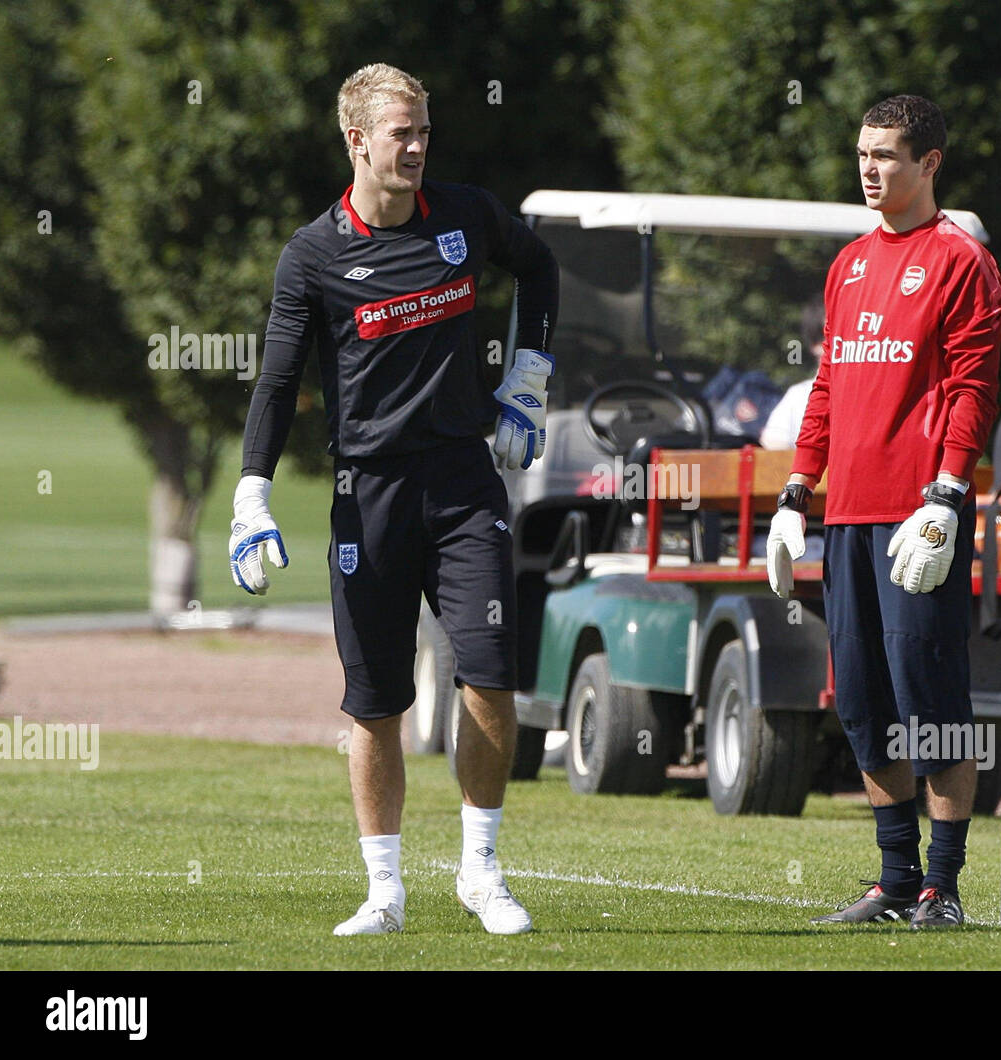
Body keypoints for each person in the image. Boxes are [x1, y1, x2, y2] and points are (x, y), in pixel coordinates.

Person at [229, 63, 558, 936]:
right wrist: (251, 493)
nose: (414, 148)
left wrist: (528, 377)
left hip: (462, 486)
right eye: (399, 133)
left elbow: (541, 267)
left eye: (422, 131)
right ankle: (384, 890)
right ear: (357, 141)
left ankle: (481, 874)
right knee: (374, 701)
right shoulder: (313, 255)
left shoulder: (468, 215)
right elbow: (278, 378)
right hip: (367, 494)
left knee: (490, 674)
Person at [766, 95, 1001, 928]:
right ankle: (895, 880)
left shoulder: (961, 262)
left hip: (919, 519)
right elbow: (828, 387)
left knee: (931, 702)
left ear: (930, 162)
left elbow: (975, 388)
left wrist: (947, 492)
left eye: (888, 156)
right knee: (864, 701)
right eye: (863, 153)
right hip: (848, 517)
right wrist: (799, 487)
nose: (870, 169)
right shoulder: (849, 265)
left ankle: (944, 885)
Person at [759, 302, 826, 451]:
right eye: (824, 336)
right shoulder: (797, 396)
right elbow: (772, 446)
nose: (833, 344)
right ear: (813, 345)